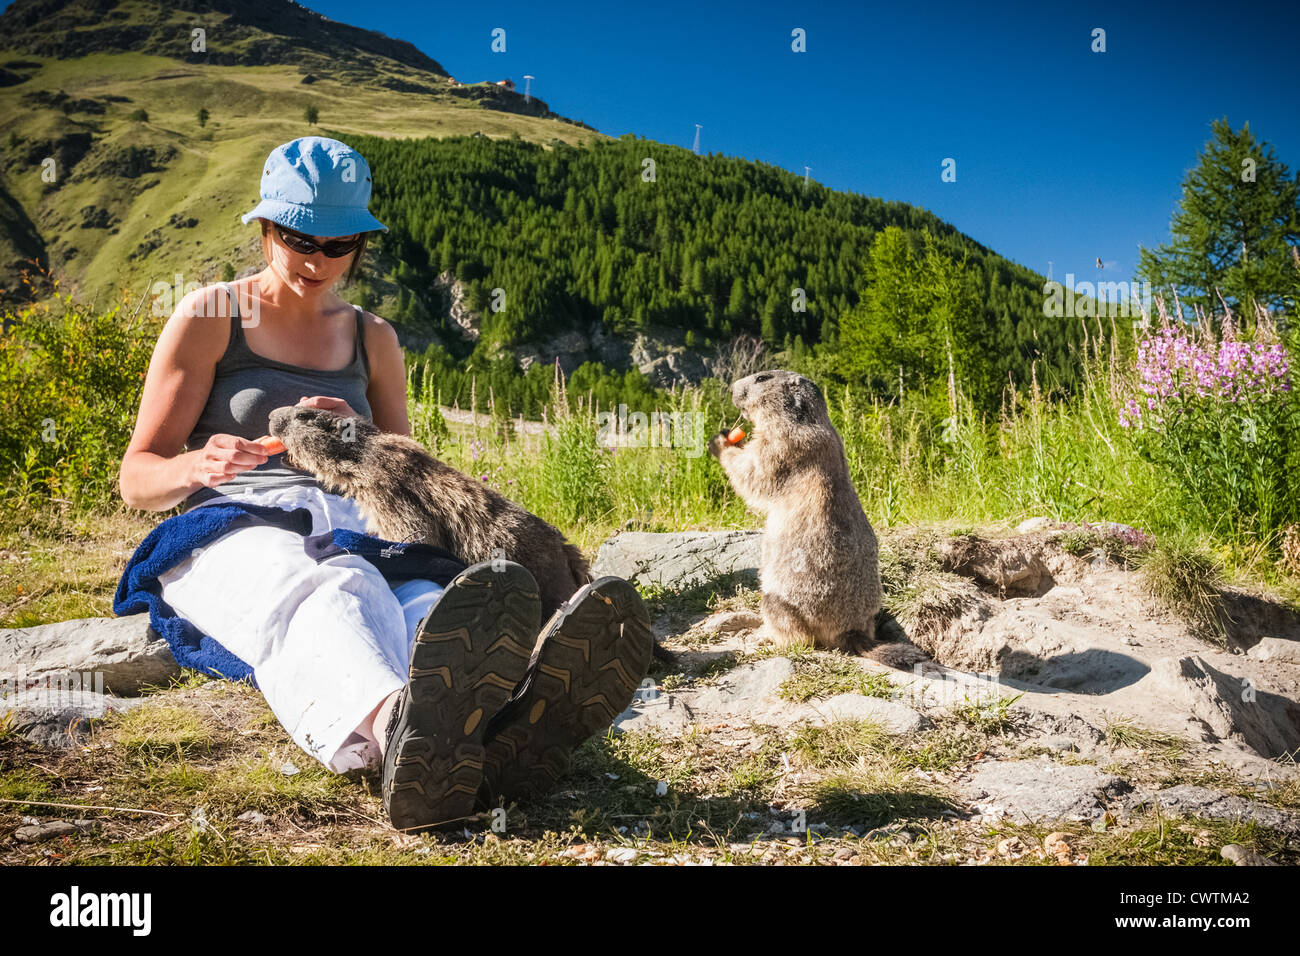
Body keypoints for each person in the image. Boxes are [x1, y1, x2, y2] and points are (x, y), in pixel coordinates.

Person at [117, 136, 652, 832]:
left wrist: (360, 440)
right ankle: (402, 728)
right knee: (330, 588)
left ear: (360, 245)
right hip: (233, 519)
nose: (316, 259)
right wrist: (196, 466)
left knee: (435, 603)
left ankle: (501, 730)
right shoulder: (211, 316)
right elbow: (138, 476)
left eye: (338, 244)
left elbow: (409, 466)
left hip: (356, 515)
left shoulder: (374, 337)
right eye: (298, 237)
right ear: (265, 228)